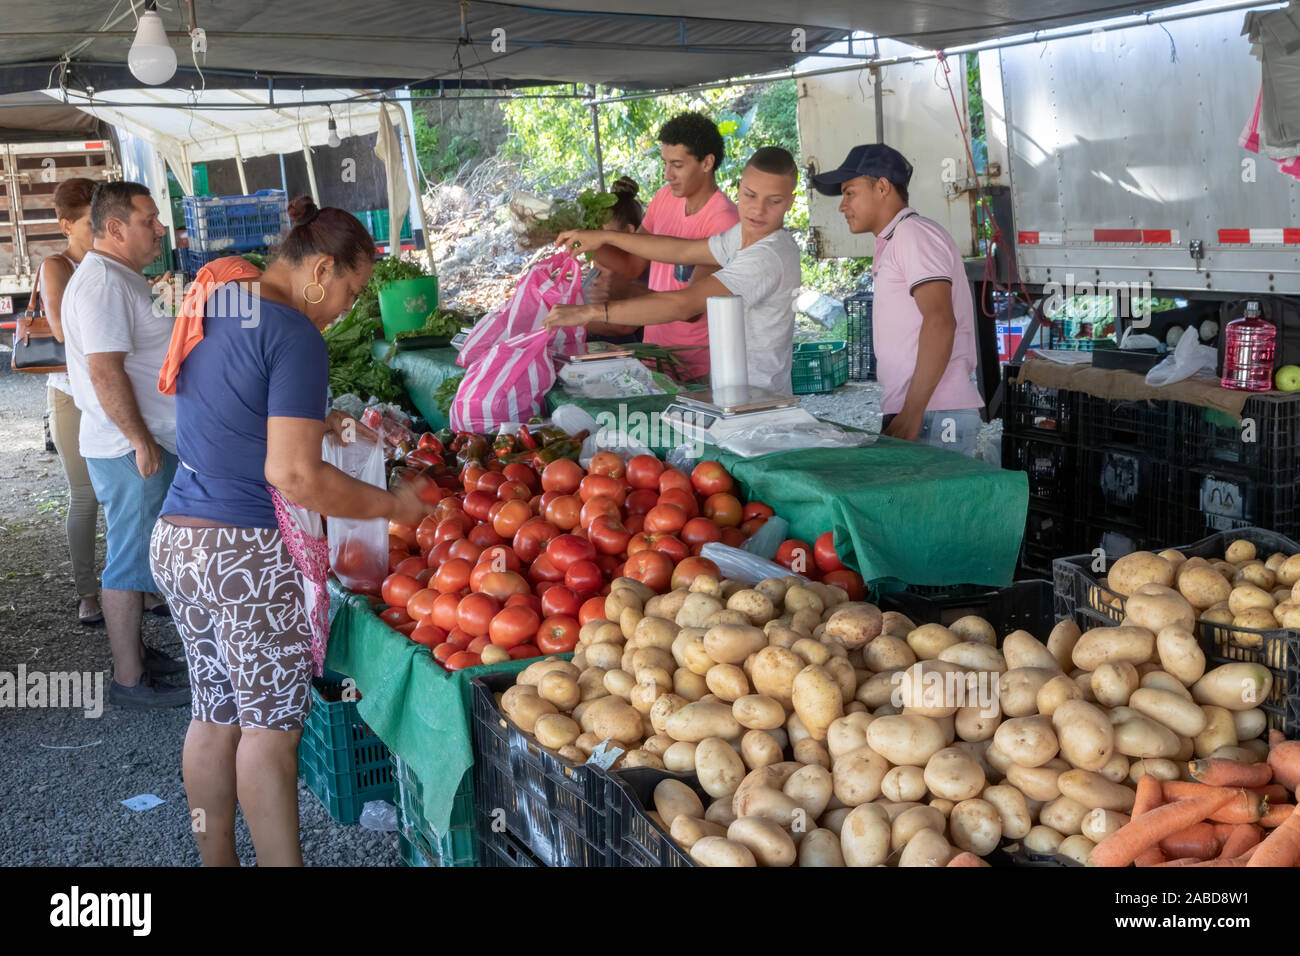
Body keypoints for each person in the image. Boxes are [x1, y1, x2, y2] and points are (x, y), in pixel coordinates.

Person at [149, 196, 432, 867]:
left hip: (180, 540)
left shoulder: (222, 300)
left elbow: (234, 406)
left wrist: (320, 415)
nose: (347, 308)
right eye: (351, 290)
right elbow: (295, 477)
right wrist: (393, 507)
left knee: (214, 717)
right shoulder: (295, 334)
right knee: (269, 733)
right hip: (244, 552)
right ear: (321, 269)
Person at [61, 181, 188, 707]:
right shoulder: (104, 285)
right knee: (130, 562)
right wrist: (140, 438)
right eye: (149, 220)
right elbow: (104, 371)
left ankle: (135, 654)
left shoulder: (119, 276)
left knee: (137, 556)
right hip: (130, 445)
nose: (160, 228)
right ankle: (129, 680)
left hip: (138, 440)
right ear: (115, 228)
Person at [546, 147, 801, 394]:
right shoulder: (743, 235)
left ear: (790, 201)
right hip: (732, 389)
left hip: (760, 399)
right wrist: (605, 238)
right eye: (750, 195)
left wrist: (589, 312)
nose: (758, 209)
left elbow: (685, 304)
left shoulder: (769, 255)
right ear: (739, 189)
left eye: (774, 201)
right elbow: (682, 251)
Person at [812, 143, 984, 455]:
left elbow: (940, 321)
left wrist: (912, 412)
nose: (842, 206)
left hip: (934, 410)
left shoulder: (912, 234)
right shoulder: (895, 239)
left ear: (882, 187)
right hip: (922, 409)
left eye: (849, 192)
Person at [587, 112, 740, 382]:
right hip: (655, 354)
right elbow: (632, 265)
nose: (667, 174)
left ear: (707, 163)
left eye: (677, 165)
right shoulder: (663, 198)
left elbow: (692, 309)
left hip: (697, 366)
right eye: (665, 163)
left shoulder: (724, 220)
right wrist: (576, 237)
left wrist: (626, 290)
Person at [37, 177, 103, 625]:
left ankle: (137, 587)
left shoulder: (106, 259)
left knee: (126, 496)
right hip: (71, 394)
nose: (99, 226)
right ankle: (88, 593)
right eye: (89, 221)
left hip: (110, 392)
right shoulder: (57, 266)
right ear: (66, 224)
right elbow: (62, 329)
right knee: (85, 496)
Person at [581, 175, 646, 344]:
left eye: (605, 235)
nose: (596, 243)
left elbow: (622, 327)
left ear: (629, 230)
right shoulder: (597, 270)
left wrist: (572, 321)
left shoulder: (636, 272)